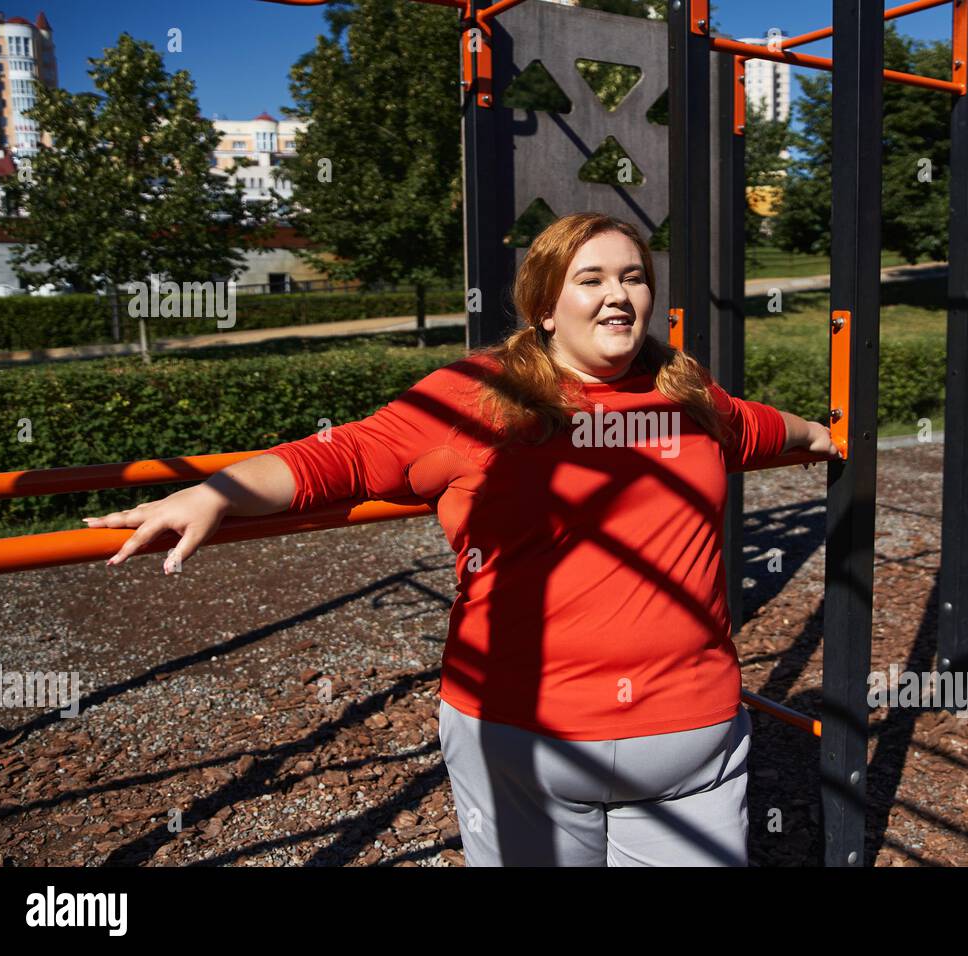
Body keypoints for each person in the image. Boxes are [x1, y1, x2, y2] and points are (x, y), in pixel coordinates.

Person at [81, 212, 842, 866]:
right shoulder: (480, 397)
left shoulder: (686, 393)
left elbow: (765, 428)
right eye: (592, 279)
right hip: (527, 731)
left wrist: (828, 437)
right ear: (545, 305)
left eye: (635, 277)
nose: (619, 295)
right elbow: (343, 456)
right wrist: (218, 491)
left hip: (690, 737)